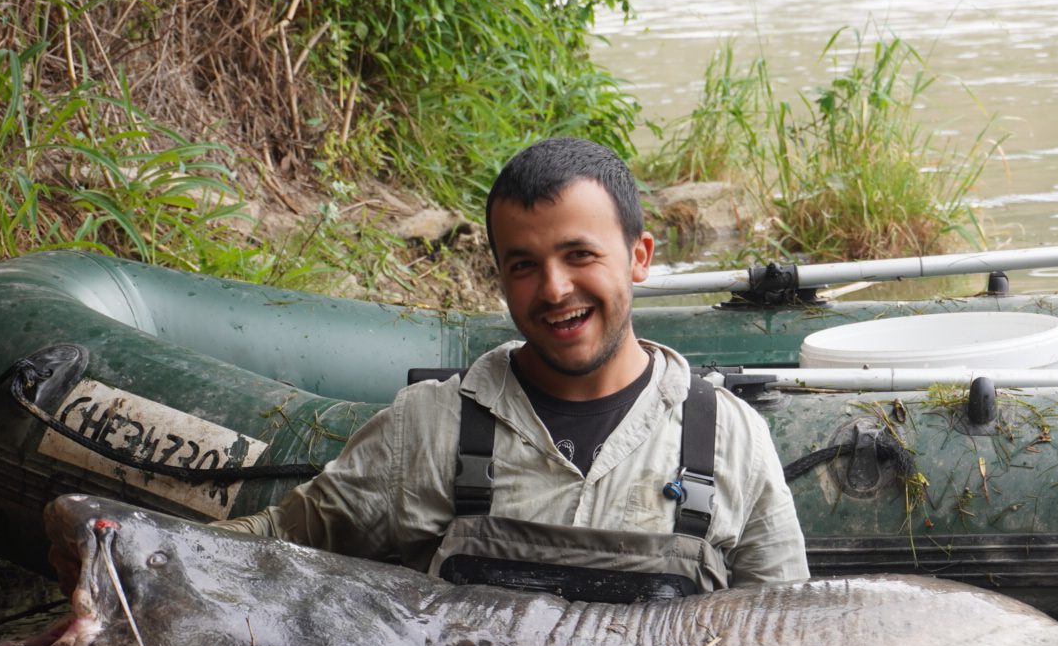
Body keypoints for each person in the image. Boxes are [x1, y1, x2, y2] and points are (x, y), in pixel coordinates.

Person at [214, 136, 808, 599]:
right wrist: (133, 555)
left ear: (640, 257)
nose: (554, 289)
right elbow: (274, 545)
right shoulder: (424, 428)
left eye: (579, 255)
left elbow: (785, 641)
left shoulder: (731, 438)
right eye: (523, 265)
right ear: (499, 276)